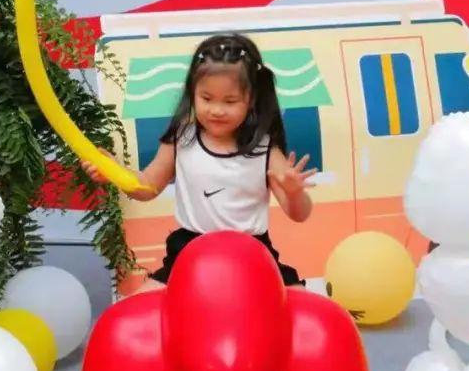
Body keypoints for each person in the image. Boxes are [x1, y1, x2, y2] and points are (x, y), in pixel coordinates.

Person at [85, 32, 316, 287]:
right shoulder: (181, 138)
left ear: (250, 100)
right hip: (189, 252)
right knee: (142, 304)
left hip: (252, 255)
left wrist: (295, 193)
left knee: (304, 304)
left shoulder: (265, 149)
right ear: (193, 93)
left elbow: (299, 214)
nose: (216, 110)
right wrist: (115, 172)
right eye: (206, 98)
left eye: (230, 101)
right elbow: (147, 187)